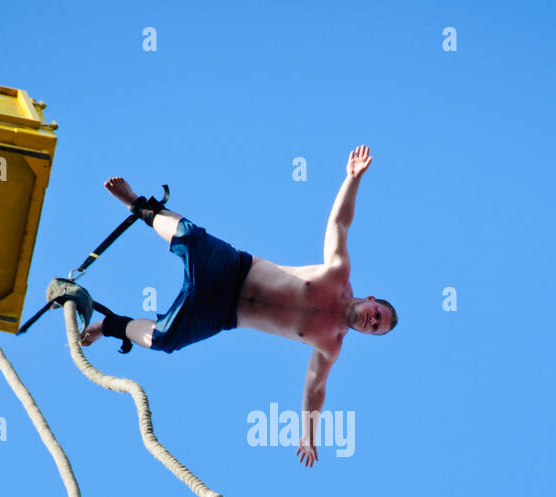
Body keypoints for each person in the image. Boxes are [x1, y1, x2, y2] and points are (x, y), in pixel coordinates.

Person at [80, 145, 396, 467]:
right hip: (235, 270)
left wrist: (308, 435)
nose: (371, 322)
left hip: (223, 314)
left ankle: (110, 326)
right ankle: (138, 205)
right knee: (190, 237)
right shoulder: (339, 273)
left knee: (165, 340)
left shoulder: (330, 345)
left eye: (375, 328)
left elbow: (315, 389)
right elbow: (339, 225)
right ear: (370, 300)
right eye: (377, 316)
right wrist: (352, 178)